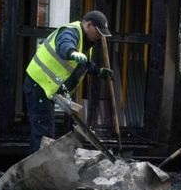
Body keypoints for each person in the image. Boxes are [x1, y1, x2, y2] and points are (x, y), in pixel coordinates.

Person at [23, 10, 114, 152]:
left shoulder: (85, 41)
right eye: (99, 32)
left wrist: (98, 71)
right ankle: (37, 171)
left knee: (45, 131)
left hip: (45, 87)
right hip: (39, 84)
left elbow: (83, 64)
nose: (99, 37)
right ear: (89, 25)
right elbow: (64, 45)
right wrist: (72, 52)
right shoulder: (71, 32)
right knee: (43, 133)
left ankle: (40, 168)